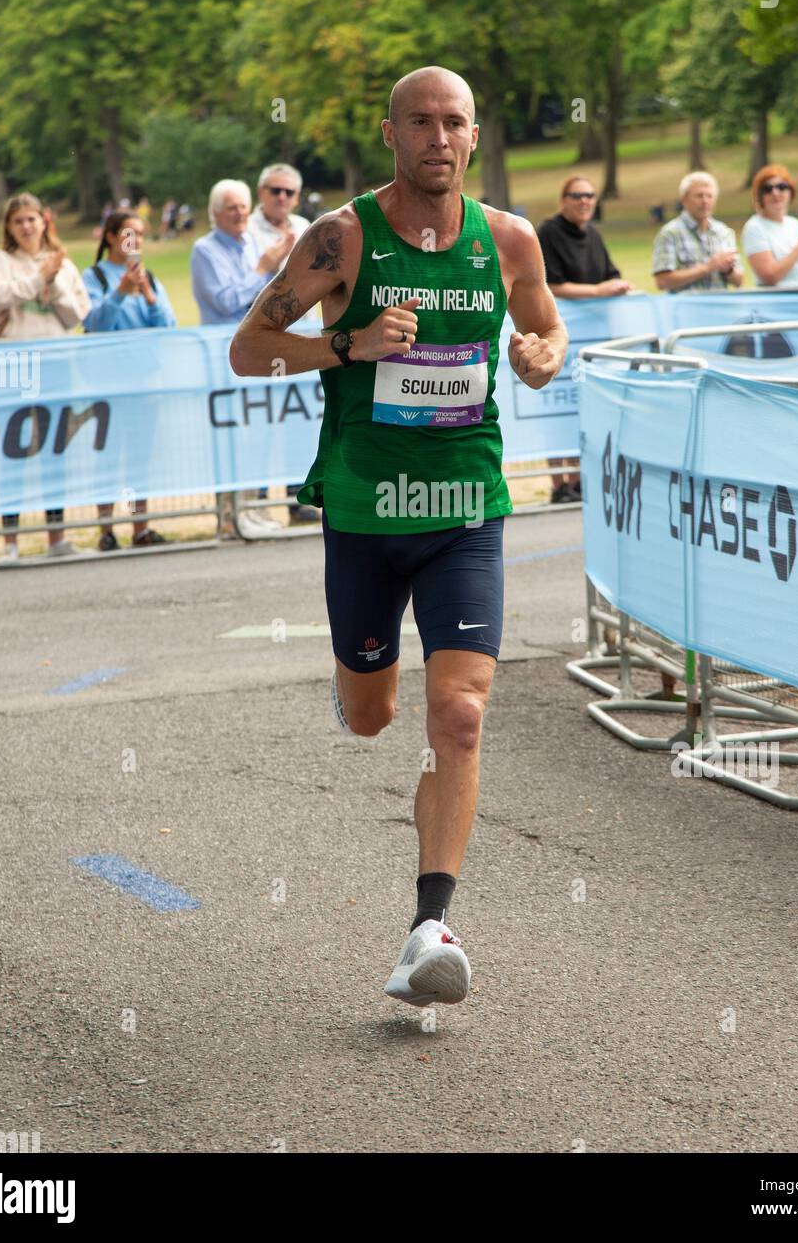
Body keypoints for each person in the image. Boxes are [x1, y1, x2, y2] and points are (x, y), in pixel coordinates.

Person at [229, 66, 568, 1007]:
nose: (437, 137)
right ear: (391, 134)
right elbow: (250, 350)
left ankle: (431, 927)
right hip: (367, 511)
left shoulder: (508, 241)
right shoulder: (339, 238)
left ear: (473, 137)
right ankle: (356, 689)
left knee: (459, 715)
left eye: (453, 122)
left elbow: (545, 330)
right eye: (419, 121)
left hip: (464, 507)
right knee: (375, 714)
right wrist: (350, 344)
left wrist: (543, 357)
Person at [0, 192, 90, 562]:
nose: (26, 227)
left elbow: (75, 314)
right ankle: (11, 540)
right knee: (16, 451)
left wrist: (51, 284)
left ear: (44, 221)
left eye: (31, 219)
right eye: (18, 221)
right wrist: (36, 279)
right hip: (15, 366)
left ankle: (57, 535)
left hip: (57, 364)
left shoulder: (62, 264)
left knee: (54, 450)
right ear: (8, 226)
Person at [192, 179, 304, 533]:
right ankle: (231, 515)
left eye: (242, 206)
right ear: (215, 213)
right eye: (231, 207)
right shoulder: (204, 250)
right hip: (226, 360)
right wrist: (263, 269)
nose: (240, 213)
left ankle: (255, 509)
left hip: (260, 356)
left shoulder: (254, 243)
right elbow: (226, 301)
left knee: (260, 435)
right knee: (231, 437)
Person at [82, 208, 176, 552]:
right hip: (107, 385)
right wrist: (121, 292)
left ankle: (140, 526)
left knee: (139, 458)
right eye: (127, 233)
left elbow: (167, 326)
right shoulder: (94, 277)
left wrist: (148, 295)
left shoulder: (148, 276)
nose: (134, 241)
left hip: (144, 383)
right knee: (107, 456)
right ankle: (106, 528)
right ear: (110, 236)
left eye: (139, 234)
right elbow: (95, 322)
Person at [537, 175, 633, 504]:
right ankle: (558, 483)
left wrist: (620, 288)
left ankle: (578, 481)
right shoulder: (547, 233)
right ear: (563, 199)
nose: (584, 201)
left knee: (581, 407)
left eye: (590, 196)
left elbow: (611, 275)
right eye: (577, 195)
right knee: (556, 408)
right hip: (555, 333)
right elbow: (550, 286)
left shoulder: (593, 234)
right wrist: (597, 292)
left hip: (591, 340)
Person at [246, 163, 320, 525]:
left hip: (299, 339)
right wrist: (267, 265)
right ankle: (257, 501)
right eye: (274, 190)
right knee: (262, 425)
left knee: (297, 423)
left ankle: (295, 497)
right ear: (261, 192)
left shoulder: (306, 229)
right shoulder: (246, 230)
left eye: (289, 192)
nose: (281, 198)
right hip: (262, 340)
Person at [653, 171, 744, 291]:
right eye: (699, 196)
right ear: (684, 200)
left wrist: (728, 270)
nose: (705, 201)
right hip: (685, 308)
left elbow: (739, 281)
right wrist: (707, 267)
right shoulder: (670, 233)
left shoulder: (723, 232)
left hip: (720, 307)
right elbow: (662, 281)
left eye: (709, 196)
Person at [741, 165, 798, 288]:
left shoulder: (794, 224)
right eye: (768, 189)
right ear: (760, 196)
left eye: (782, 187)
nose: (775, 193)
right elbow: (770, 277)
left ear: (790, 192)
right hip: (775, 302)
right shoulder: (755, 227)